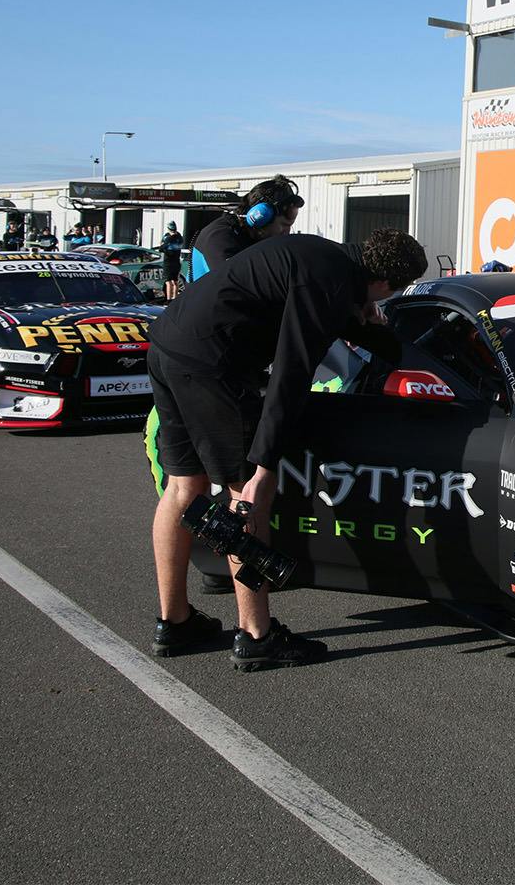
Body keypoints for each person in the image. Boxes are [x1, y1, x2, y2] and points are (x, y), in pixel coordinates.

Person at [146, 228, 427, 669]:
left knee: (184, 485)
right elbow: (290, 376)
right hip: (212, 362)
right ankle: (256, 635)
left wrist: (370, 322)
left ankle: (174, 621)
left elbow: (328, 314)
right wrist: (261, 466)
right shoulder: (331, 286)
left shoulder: (325, 256)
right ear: (389, 284)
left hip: (169, 341)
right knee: (247, 493)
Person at [190, 175, 303, 281]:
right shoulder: (219, 238)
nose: (287, 232)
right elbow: (237, 283)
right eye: (284, 225)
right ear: (260, 217)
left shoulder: (253, 239)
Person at [159, 221, 184, 301]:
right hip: (177, 262)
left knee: (168, 282)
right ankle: (175, 298)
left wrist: (162, 245)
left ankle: (169, 299)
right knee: (175, 281)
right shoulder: (180, 237)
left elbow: (161, 247)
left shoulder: (168, 238)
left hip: (168, 262)